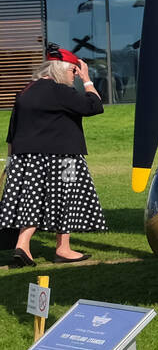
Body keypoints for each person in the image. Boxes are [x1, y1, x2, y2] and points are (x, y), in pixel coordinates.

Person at [1, 47, 107, 265]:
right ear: (61, 69)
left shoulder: (25, 91)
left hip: (26, 158)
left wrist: (11, 162)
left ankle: (23, 245)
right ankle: (63, 248)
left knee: (31, 199)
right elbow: (94, 106)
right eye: (72, 72)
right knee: (65, 199)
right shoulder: (60, 91)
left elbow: (12, 131)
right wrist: (87, 79)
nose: (73, 77)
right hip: (65, 157)